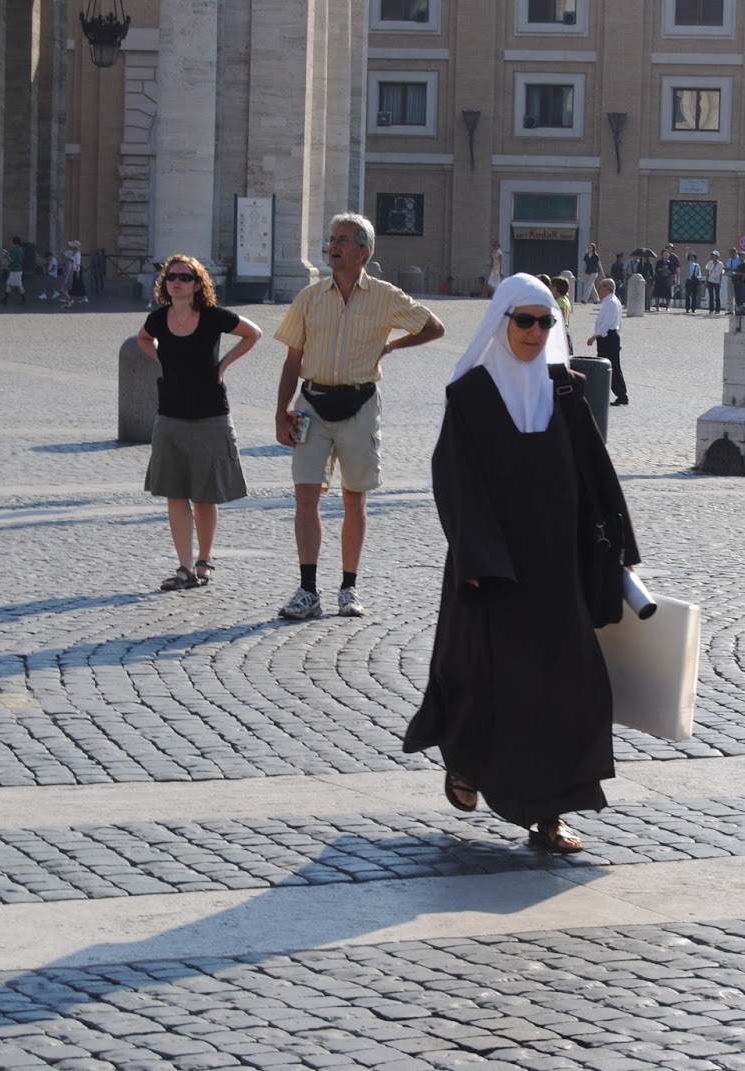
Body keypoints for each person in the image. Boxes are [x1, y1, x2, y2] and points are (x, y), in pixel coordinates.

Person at [403, 273, 641, 855]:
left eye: (545, 322)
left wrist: (614, 552)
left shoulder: (565, 390)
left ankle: (551, 815)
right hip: (494, 571)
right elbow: (455, 481)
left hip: (557, 569)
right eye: (524, 321)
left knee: (570, 689)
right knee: (487, 683)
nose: (535, 332)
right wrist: (479, 556)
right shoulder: (471, 395)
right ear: (502, 321)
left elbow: (594, 477)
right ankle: (464, 764)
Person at [273, 212, 446, 619]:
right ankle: (307, 590)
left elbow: (434, 328)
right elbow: (291, 360)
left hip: (360, 403)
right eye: (331, 239)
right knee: (305, 497)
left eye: (343, 240)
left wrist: (392, 347)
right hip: (311, 404)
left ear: (364, 251)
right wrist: (281, 411)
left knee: (355, 499)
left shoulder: (386, 296)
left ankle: (349, 588)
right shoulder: (310, 297)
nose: (333, 246)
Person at [136, 255, 263, 591]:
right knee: (174, 494)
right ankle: (184, 567)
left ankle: (204, 561)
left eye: (185, 277)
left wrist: (224, 366)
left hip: (211, 415)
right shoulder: (158, 319)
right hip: (170, 416)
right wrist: (161, 357)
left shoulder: (212, 317)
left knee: (205, 495)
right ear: (165, 284)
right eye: (171, 277)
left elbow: (253, 334)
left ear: (197, 284)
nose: (177, 281)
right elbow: (143, 339)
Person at [588, 277, 627, 406]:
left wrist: (594, 336)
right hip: (610, 337)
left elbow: (607, 323)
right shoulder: (610, 301)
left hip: (608, 338)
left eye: (600, 287)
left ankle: (620, 394)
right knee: (610, 366)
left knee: (608, 367)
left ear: (606, 288)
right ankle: (618, 393)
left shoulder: (610, 302)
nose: (598, 290)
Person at [549, 275, 574, 355]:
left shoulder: (560, 301)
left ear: (556, 289)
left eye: (551, 288)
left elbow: (561, 318)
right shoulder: (565, 299)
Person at [1, 238, 25, 305]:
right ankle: (5, 299)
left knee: (19, 285)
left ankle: (23, 299)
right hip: (15, 269)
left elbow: (11, 260)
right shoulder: (20, 249)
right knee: (9, 284)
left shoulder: (15, 250)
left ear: (14, 243)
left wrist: (6, 255)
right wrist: (8, 254)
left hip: (15, 270)